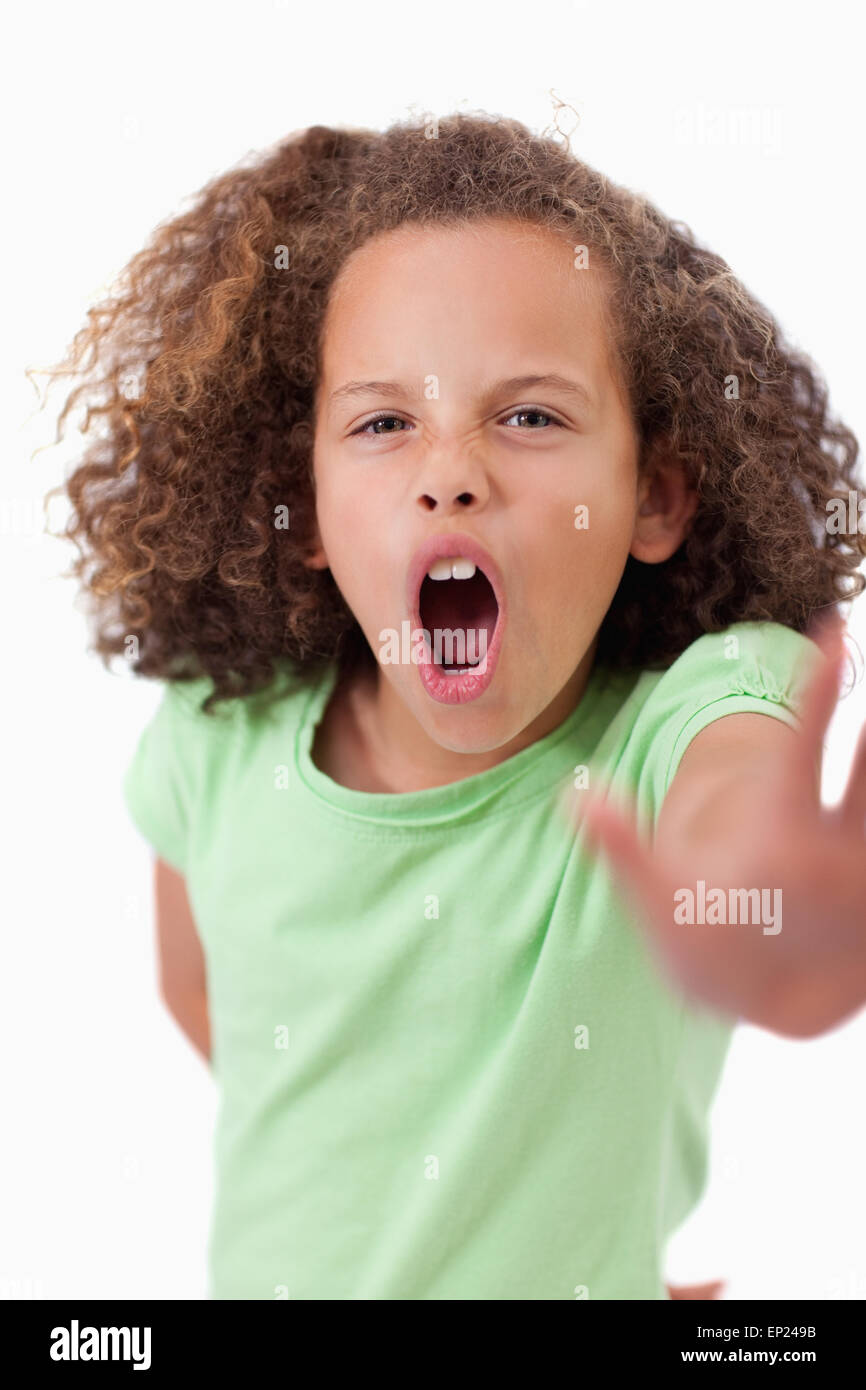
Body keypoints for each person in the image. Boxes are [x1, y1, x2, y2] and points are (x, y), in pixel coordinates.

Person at [43, 113, 866, 1300]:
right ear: (307, 504)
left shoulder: (689, 716)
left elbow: (731, 816)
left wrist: (766, 908)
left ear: (655, 495)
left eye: (527, 415)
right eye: (383, 423)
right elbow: (207, 991)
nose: (450, 469)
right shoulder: (213, 747)